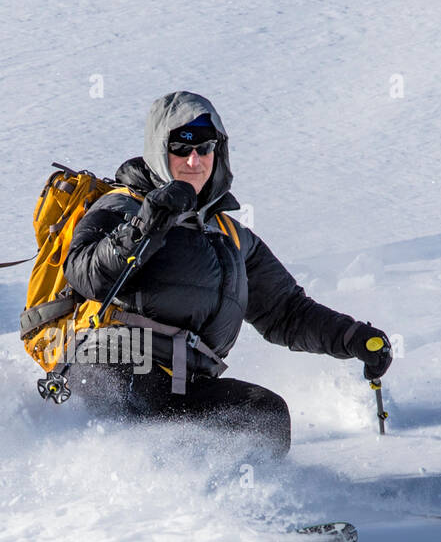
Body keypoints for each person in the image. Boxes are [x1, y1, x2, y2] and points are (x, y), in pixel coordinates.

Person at [63, 90, 392, 458]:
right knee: (149, 405)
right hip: (115, 367)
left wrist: (352, 337)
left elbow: (286, 311)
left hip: (182, 385)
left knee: (264, 414)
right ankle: (148, 507)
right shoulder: (124, 206)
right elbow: (83, 273)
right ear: (159, 149)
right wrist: (144, 227)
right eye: (181, 147)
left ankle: (251, 509)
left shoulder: (231, 238)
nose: (194, 159)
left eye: (205, 148)